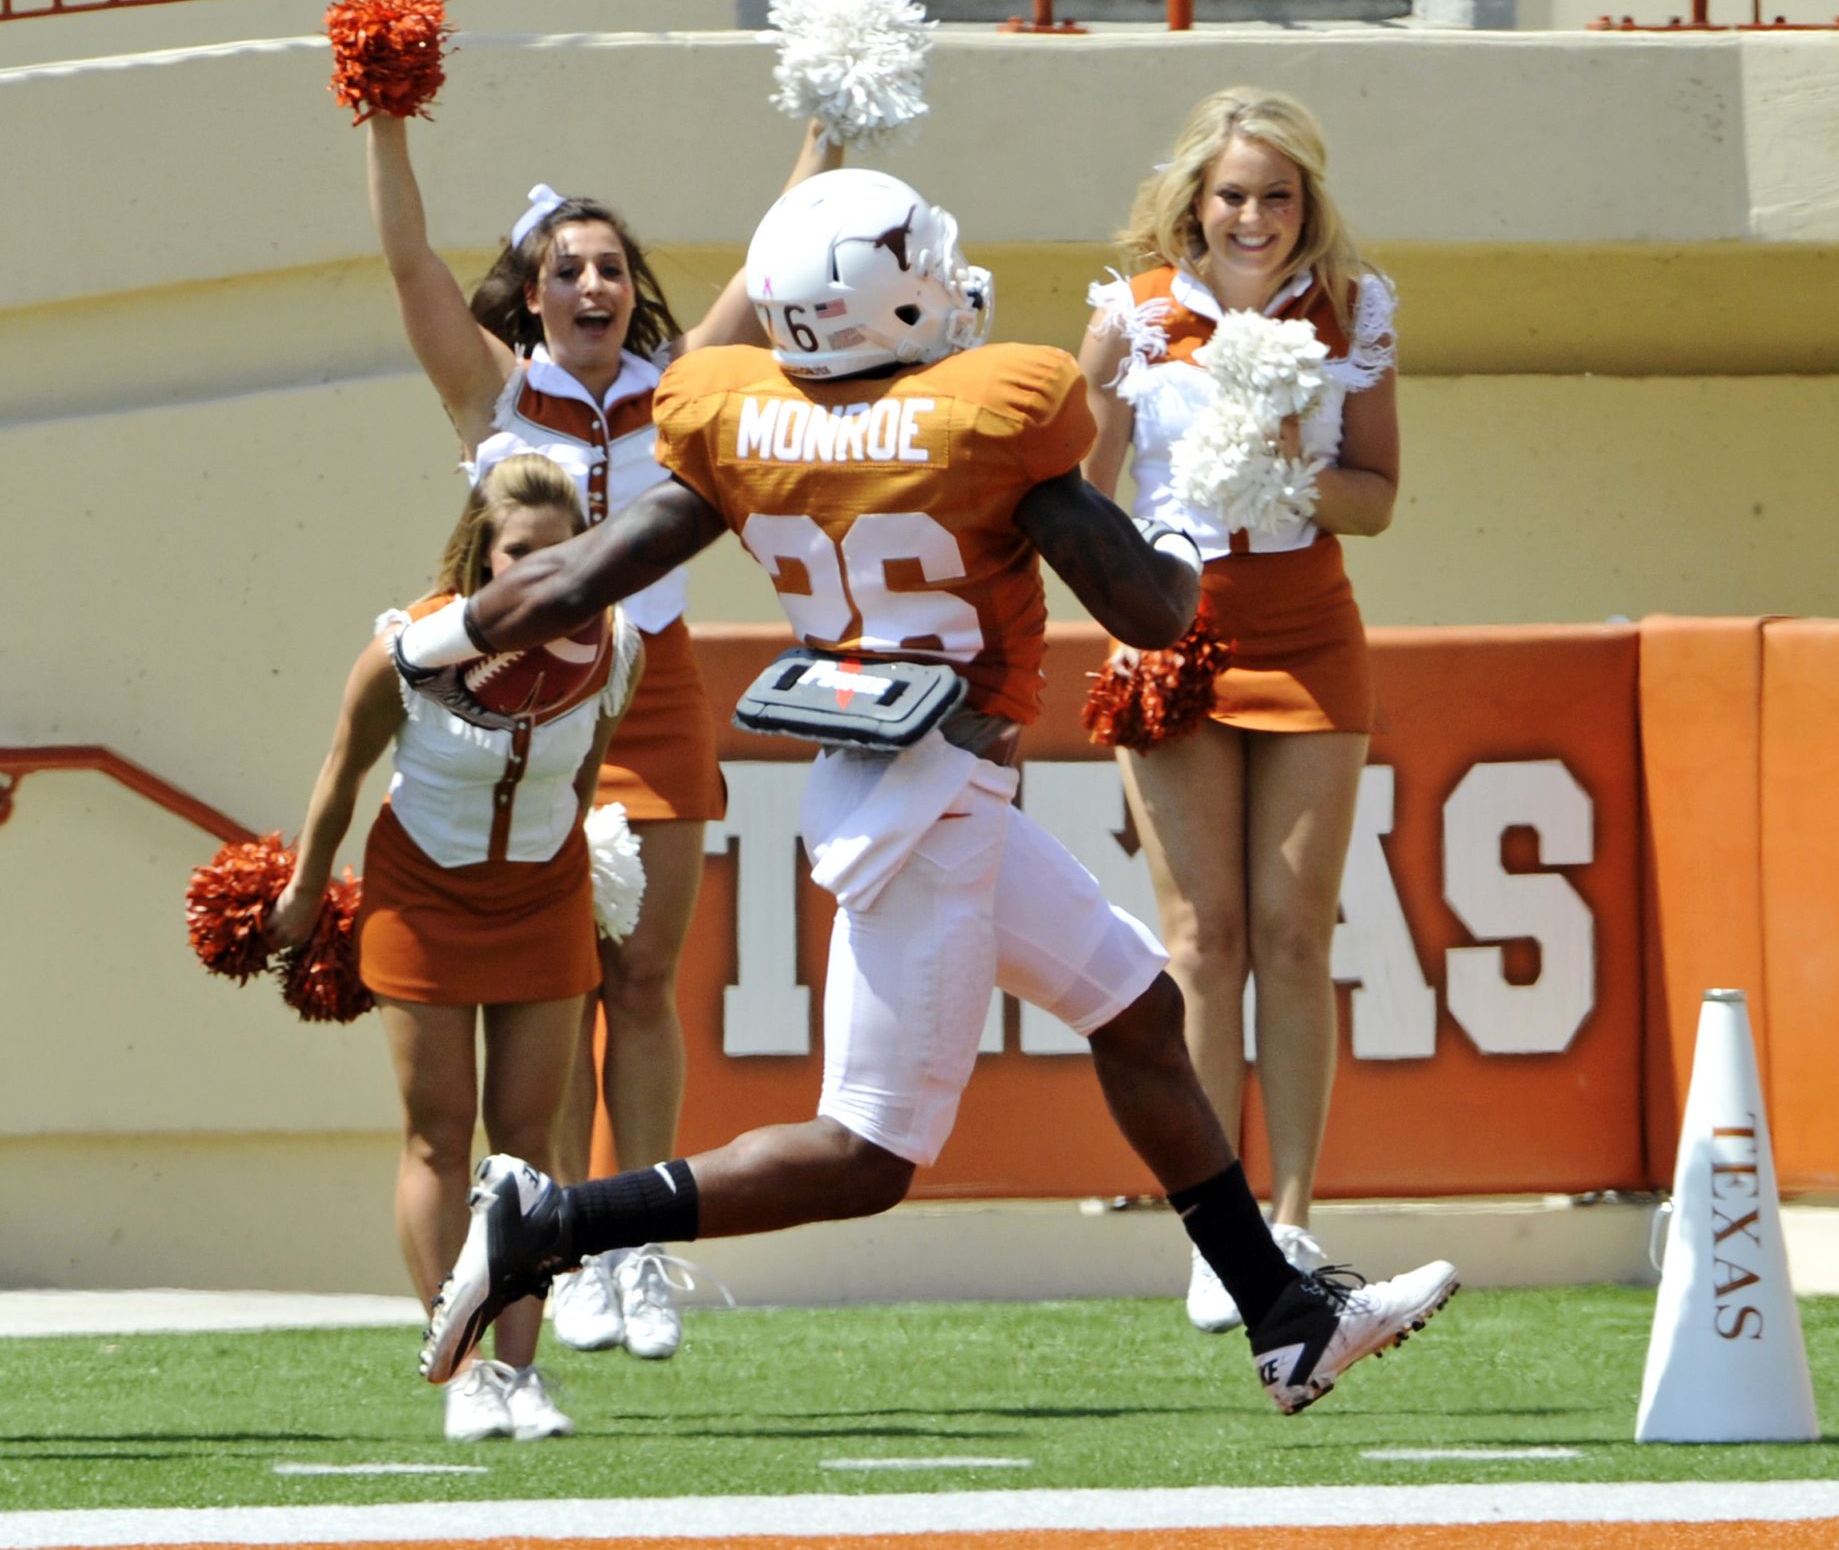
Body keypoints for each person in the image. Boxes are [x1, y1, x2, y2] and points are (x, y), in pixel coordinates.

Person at [390, 168, 1457, 1417]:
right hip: (934, 805)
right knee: (864, 1155)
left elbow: (569, 581)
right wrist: (1188, 519)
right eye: (924, 264)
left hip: (895, 778)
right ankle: (553, 1219)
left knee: (1135, 1010)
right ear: (881, 300)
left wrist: (421, 644)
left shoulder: (744, 424)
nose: (948, 283)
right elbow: (1155, 614)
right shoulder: (986, 423)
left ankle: (1280, 1315)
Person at [364, 111, 842, 1359]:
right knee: (555, 978)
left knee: (642, 979)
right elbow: (409, 260)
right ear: (530, 293)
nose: (591, 284)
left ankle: (635, 1247)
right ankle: (561, 1246)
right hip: (535, 709)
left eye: (610, 268)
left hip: (659, 686)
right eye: (566, 268)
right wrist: (384, 116)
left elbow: (773, 255)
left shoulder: (684, 380)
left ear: (634, 293)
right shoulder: (493, 389)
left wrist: (829, 111)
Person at [1075, 87, 1402, 1333]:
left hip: (1309, 632)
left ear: (1305, 201)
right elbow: (1082, 496)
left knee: (1294, 934)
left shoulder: (1355, 310)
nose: (1253, 217)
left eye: (1276, 195)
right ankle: (1219, 1237)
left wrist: (1285, 468)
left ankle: (1298, 1211)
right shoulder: (1131, 315)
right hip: (1172, 627)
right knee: (1198, 940)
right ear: (1192, 204)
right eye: (1231, 196)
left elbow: (1376, 498)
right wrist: (1129, 615)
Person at [266, 453, 640, 1440]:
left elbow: (584, 774)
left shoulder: (615, 643)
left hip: (541, 902)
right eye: (519, 553)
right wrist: (306, 887)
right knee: (440, 1129)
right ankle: (460, 1369)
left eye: (558, 556)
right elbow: (343, 772)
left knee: (530, 1145)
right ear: (483, 550)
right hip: (421, 898)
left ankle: (522, 1371)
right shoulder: (406, 645)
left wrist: (585, 874)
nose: (537, 574)